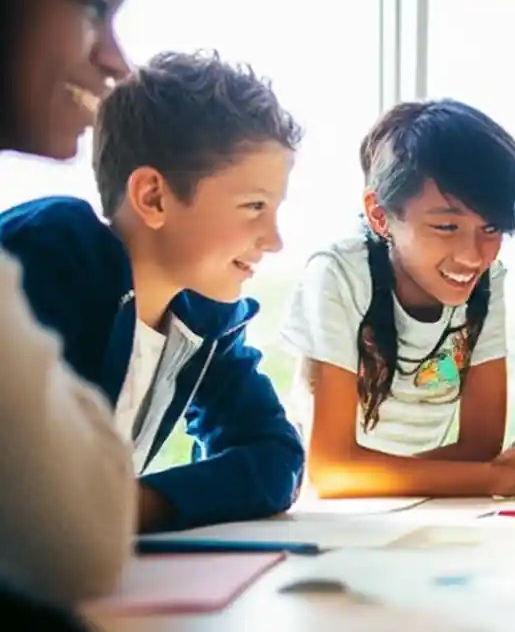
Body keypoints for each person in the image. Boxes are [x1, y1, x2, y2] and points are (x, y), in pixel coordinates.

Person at [0, 50, 306, 533]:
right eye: (253, 206)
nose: (274, 239)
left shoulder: (204, 322)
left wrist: (126, 507)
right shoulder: (52, 251)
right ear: (153, 198)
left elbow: (277, 458)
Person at [282, 100, 515, 498]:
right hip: (325, 514)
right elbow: (332, 470)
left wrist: (377, 477)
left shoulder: (487, 282)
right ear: (379, 214)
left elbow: (481, 444)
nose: (473, 255)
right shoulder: (339, 274)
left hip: (425, 507)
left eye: (491, 228)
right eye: (446, 226)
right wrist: (487, 479)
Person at [0, 0, 134, 600]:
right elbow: (81, 536)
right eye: (90, 1)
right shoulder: (63, 246)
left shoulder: (209, 314)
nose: (117, 60)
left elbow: (273, 455)